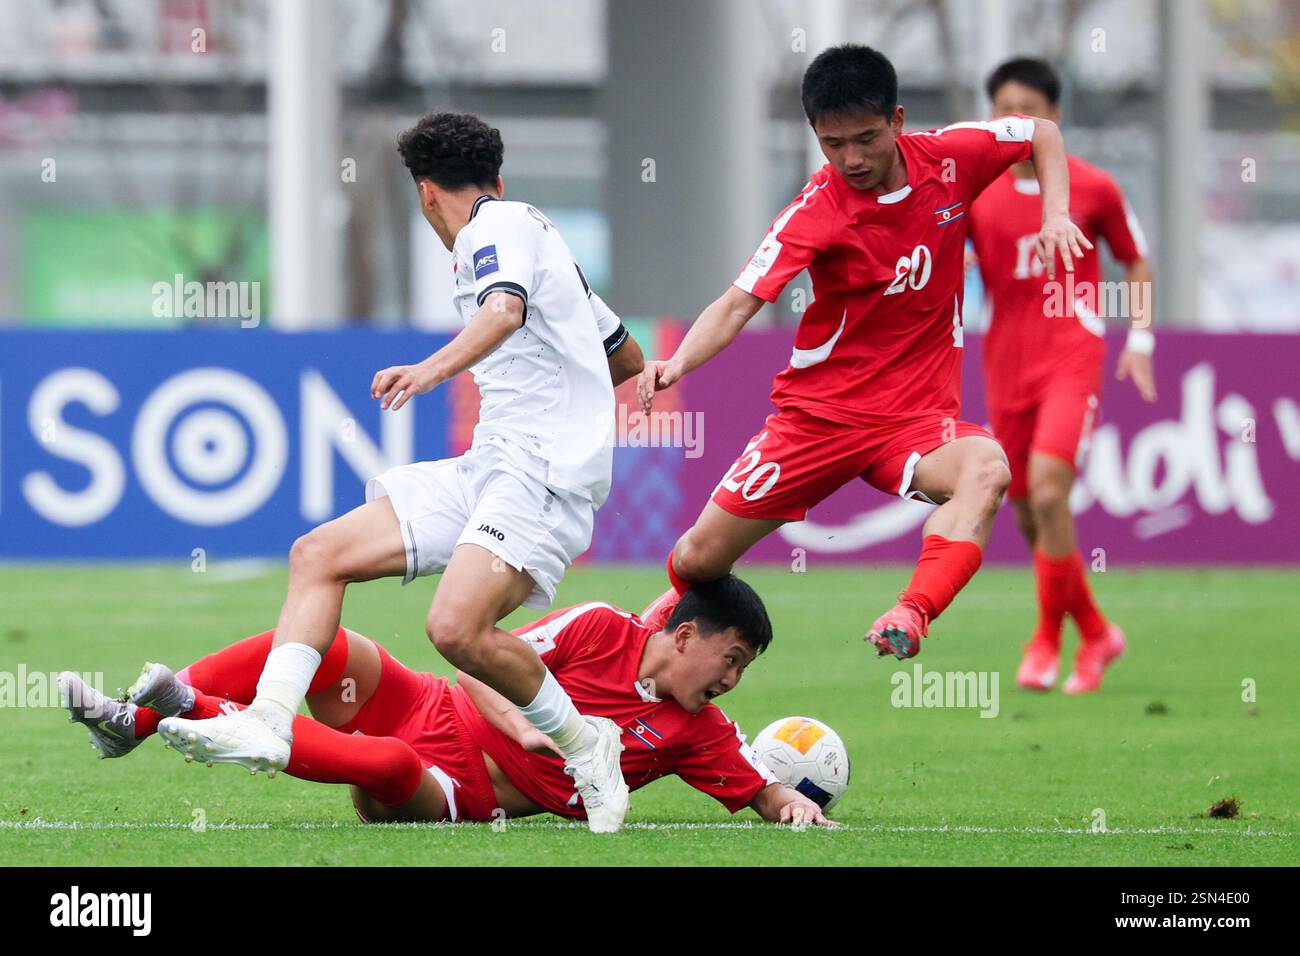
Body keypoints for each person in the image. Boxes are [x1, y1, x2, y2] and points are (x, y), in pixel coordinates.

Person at [176, 111, 645, 833]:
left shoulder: (497, 229)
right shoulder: (539, 239)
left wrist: (429, 370)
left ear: (425, 194)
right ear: (496, 173)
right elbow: (627, 358)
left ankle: (586, 746)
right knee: (319, 555)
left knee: (456, 629)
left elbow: (505, 311)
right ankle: (269, 720)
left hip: (540, 472)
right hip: (493, 462)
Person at [636, 44, 1090, 659]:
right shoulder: (813, 212)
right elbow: (738, 302)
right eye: (832, 143)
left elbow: (1041, 132)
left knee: (988, 470)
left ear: (898, 120)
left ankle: (912, 611)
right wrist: (676, 363)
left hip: (915, 420)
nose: (851, 158)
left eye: (866, 138)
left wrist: (1055, 214)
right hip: (816, 420)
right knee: (696, 560)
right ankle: (644, 642)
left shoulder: (953, 157)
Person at [59, 577, 833, 828]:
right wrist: (530, 726)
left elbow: (757, 787)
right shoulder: (599, 628)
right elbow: (473, 665)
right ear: (689, 633)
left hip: (459, 790)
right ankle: (138, 720)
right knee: (328, 641)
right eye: (730, 660)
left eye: (741, 672)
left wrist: (788, 804)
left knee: (390, 764)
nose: (731, 681)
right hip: (428, 702)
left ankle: (207, 715)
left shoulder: (699, 732)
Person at [968, 58, 1155, 693]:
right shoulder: (974, 194)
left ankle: (1045, 642)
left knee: (1049, 494)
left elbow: (1136, 263)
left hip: (1072, 356)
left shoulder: (1093, 188)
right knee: (1027, 513)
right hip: (1005, 365)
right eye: (1003, 108)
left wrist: (1142, 339)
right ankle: (1099, 634)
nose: (1014, 119)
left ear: (1053, 116)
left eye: (1028, 108)